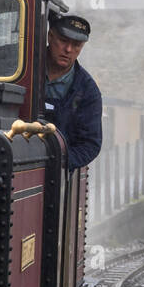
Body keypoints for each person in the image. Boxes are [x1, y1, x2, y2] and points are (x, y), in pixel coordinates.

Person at [43, 11, 102, 169]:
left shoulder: (88, 90)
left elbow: (90, 144)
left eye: (76, 45)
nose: (68, 49)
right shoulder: (22, 68)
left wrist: (59, 164)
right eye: (63, 41)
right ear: (50, 36)